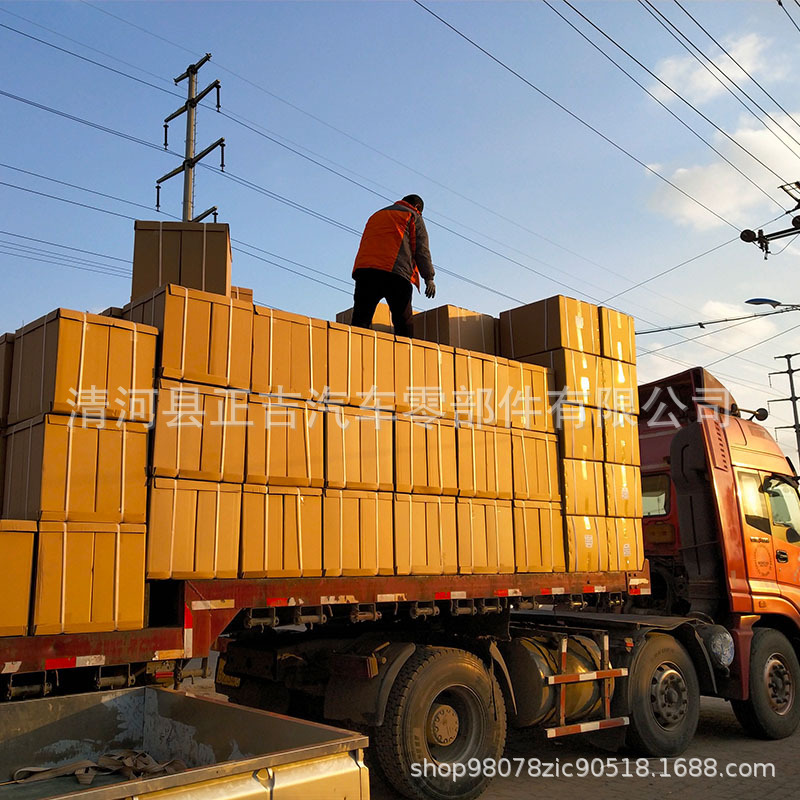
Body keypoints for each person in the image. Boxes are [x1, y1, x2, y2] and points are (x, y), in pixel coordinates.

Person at [351, 194, 435, 337]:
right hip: (395, 272)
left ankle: (353, 354)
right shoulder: (412, 215)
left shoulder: (376, 215)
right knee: (403, 324)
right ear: (418, 207)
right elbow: (422, 250)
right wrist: (429, 278)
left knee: (360, 322)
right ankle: (405, 356)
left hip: (365, 272)